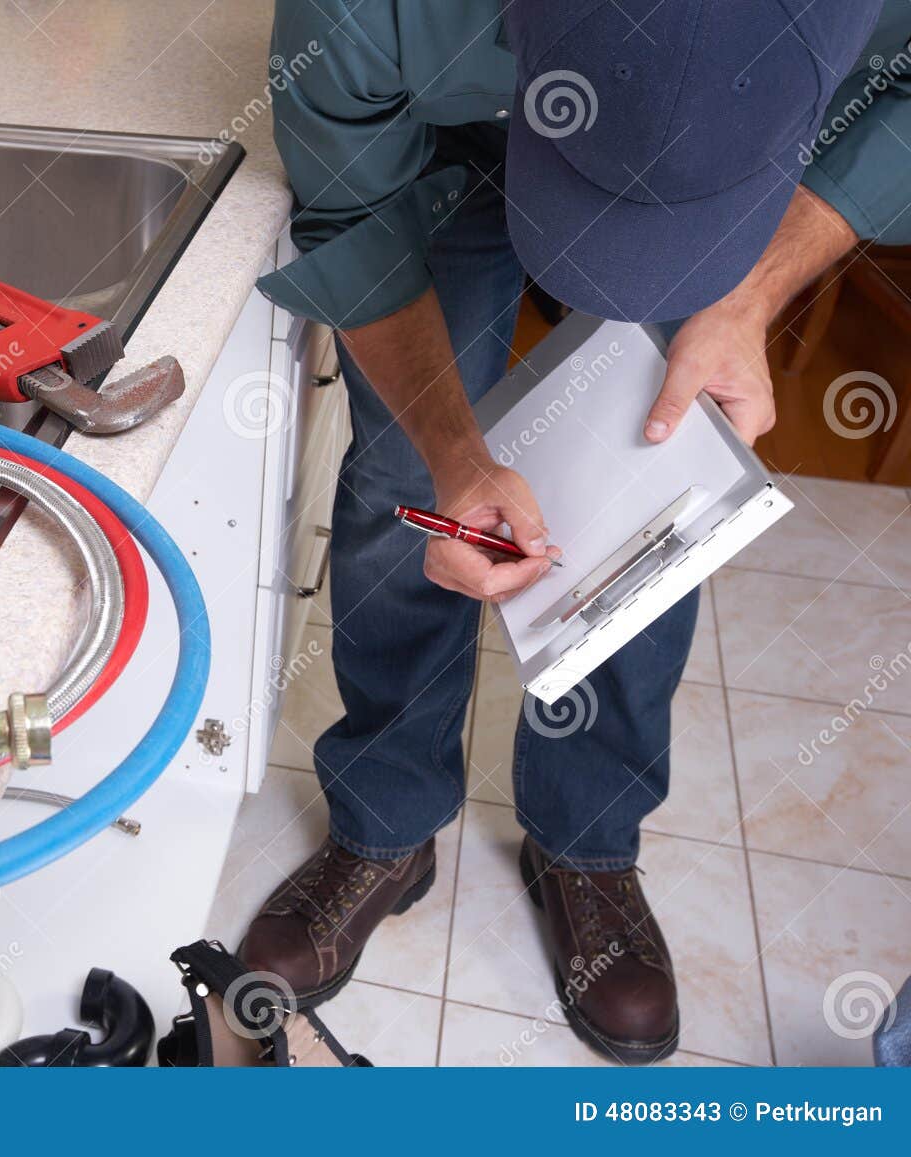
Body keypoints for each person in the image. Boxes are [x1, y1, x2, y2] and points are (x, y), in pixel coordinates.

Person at [243, 0, 898, 1064]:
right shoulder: (366, 13)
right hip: (435, 138)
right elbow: (352, 220)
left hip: (732, 163)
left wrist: (748, 290)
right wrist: (456, 455)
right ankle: (386, 821)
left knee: (655, 480)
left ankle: (584, 843)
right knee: (399, 478)